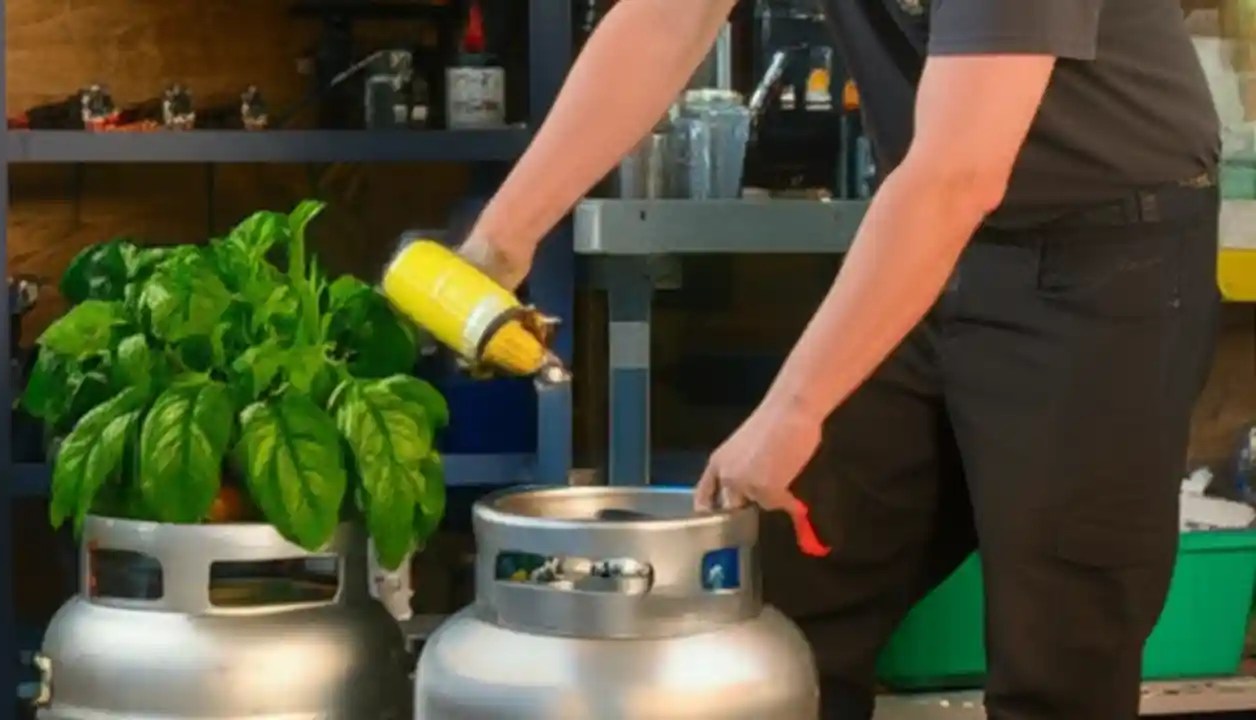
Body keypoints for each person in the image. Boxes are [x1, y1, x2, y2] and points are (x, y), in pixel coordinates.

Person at [456, 0, 1221, 717]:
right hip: (933, 244)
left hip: (1104, 258)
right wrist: (502, 240)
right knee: (771, 619)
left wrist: (795, 408)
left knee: (1056, 661)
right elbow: (665, 20)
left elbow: (959, 174)